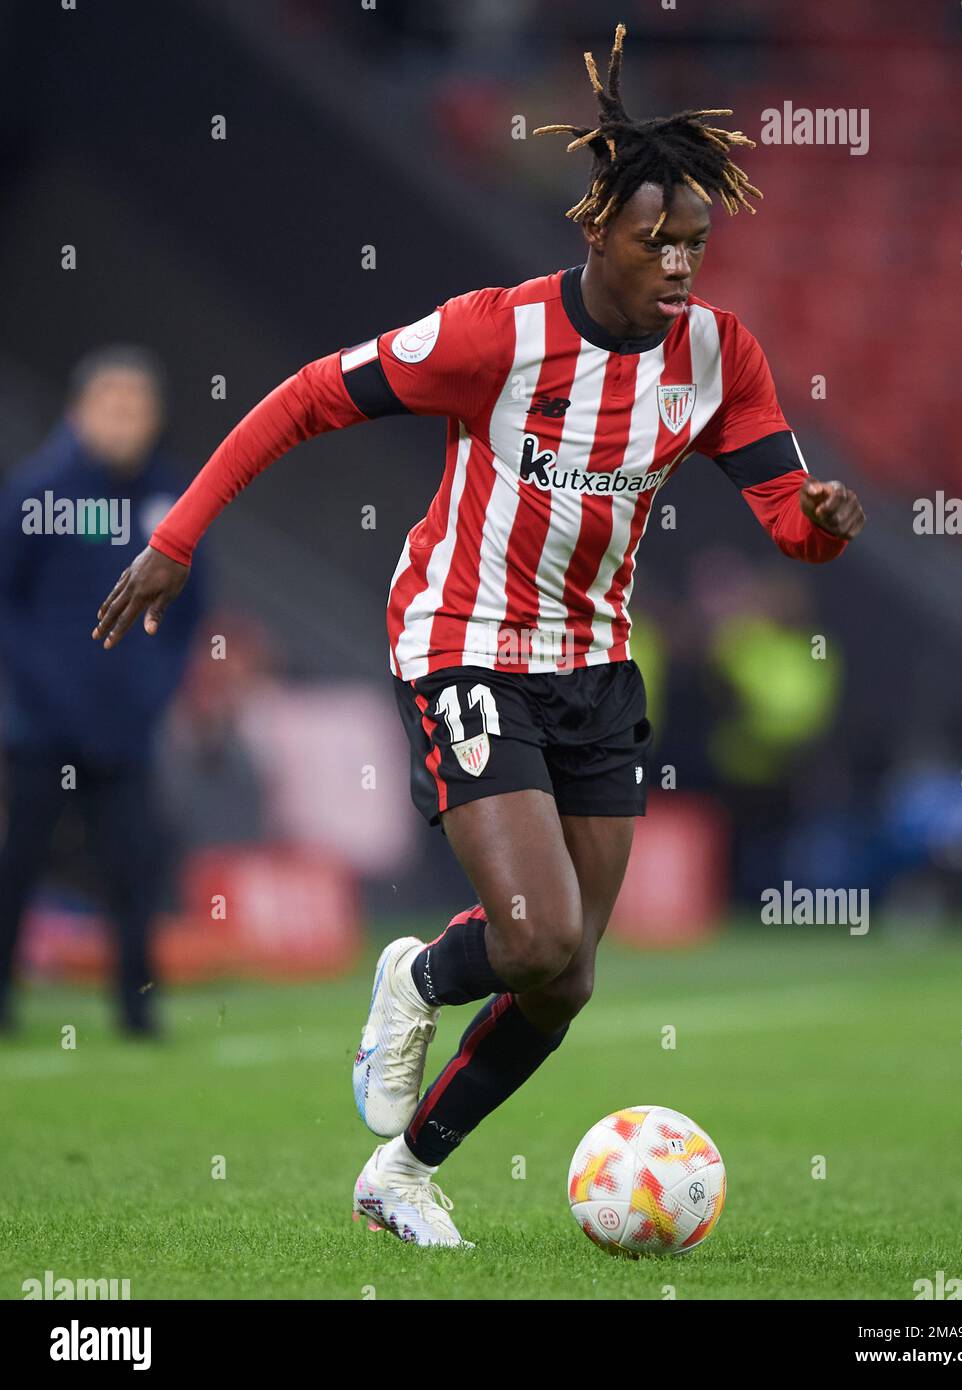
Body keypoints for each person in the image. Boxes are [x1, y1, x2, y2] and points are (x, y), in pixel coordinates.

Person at [91, 26, 864, 1240]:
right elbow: (303, 396)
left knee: (565, 979)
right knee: (536, 930)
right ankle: (413, 977)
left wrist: (819, 525)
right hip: (464, 637)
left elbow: (785, 520)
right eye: (654, 241)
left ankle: (398, 1170)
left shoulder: (718, 357)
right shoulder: (493, 336)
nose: (677, 265)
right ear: (593, 229)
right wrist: (177, 538)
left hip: (596, 665)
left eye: (694, 245)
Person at [0, 345, 205, 1036]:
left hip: (126, 729)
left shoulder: (170, 499)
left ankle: (137, 1011)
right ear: (78, 411)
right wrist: (39, 685)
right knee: (16, 865)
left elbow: (193, 607)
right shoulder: (37, 492)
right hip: (38, 728)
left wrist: (156, 684)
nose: (125, 419)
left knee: (135, 871)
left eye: (138, 406)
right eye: (111, 404)